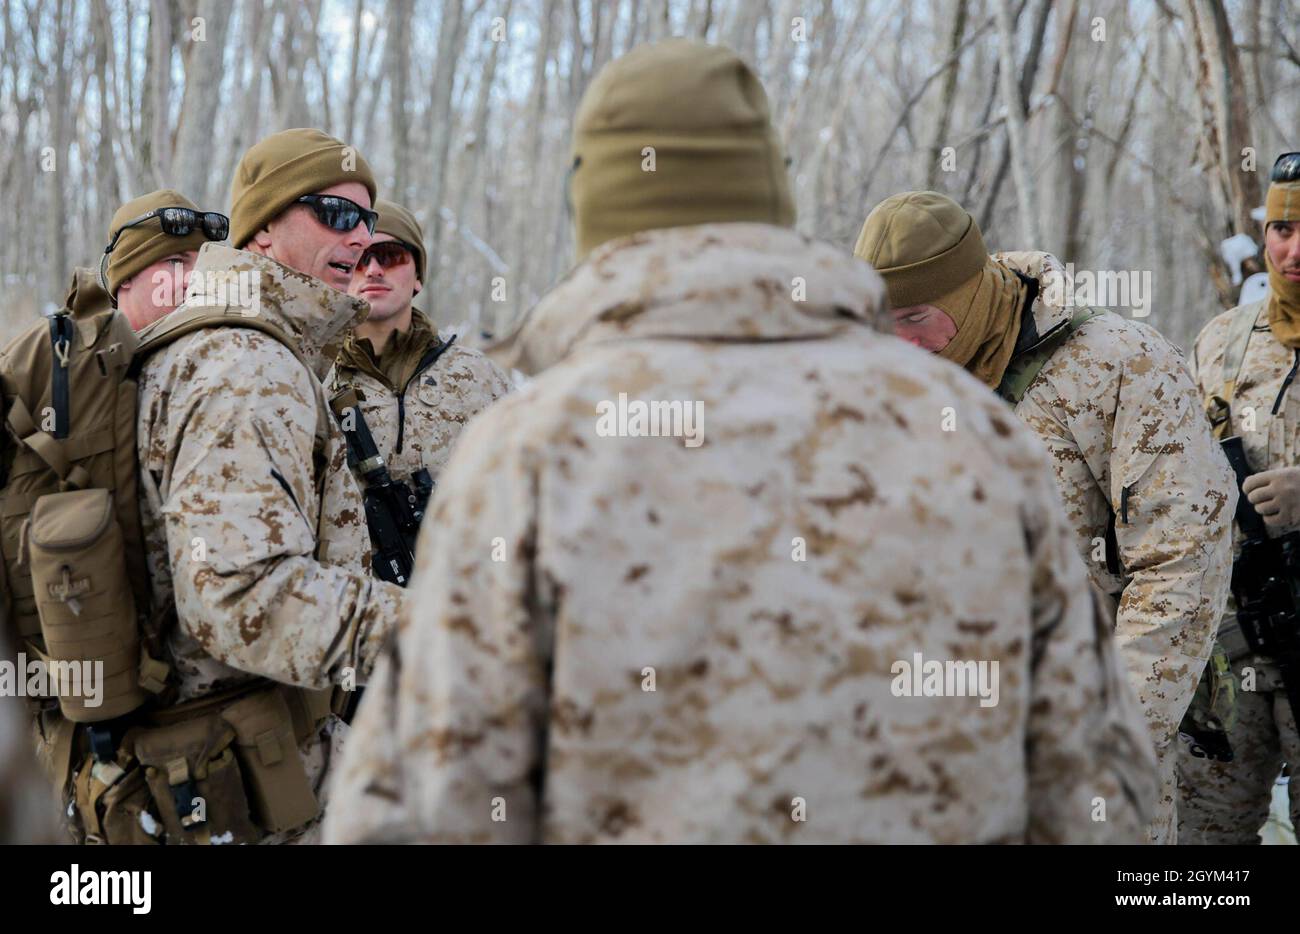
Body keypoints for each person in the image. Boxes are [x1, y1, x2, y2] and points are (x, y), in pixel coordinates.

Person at [324, 39, 1155, 845]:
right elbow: (1099, 787)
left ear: (594, 208)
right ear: (773, 199)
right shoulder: (971, 429)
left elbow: (420, 807)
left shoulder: (526, 453)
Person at [854, 190, 1235, 844]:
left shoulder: (1118, 364)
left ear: (971, 295)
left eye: (914, 317)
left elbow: (1183, 559)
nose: (897, 342)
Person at [121, 128, 405, 844]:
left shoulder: (225, 338)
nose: (362, 238)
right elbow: (242, 595)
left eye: (370, 220)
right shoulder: (247, 361)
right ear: (265, 230)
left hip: (217, 763)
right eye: (335, 214)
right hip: (232, 778)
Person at [1178, 151, 1300, 844]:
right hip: (1236, 647)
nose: (1294, 249)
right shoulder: (1222, 342)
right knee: (1203, 844)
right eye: (1282, 228)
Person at [327, 200, 510, 553]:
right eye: (361, 259)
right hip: (345, 601)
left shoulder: (480, 378)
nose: (374, 270)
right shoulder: (314, 379)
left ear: (418, 277)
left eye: (391, 255)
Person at [99, 189, 227, 331]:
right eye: (175, 262)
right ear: (125, 276)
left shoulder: (219, 346)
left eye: (202, 264)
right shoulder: (79, 348)